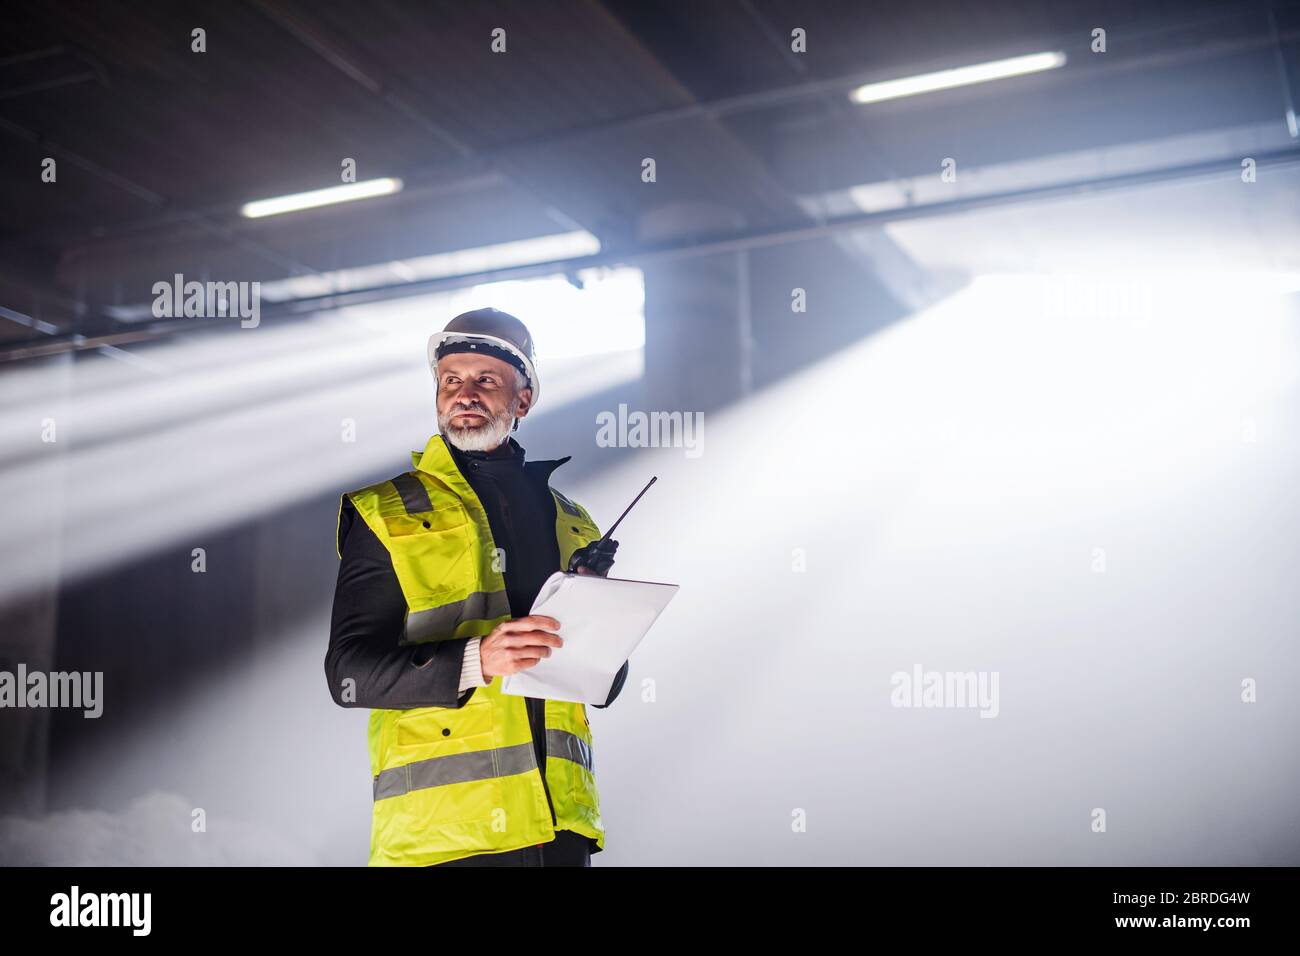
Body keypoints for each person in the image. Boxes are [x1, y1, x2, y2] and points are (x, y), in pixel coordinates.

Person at [325, 308, 627, 866]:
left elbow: (603, 687)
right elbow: (347, 674)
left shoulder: (571, 521)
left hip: (561, 830)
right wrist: (478, 659)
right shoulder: (386, 511)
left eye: (485, 380)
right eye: (450, 380)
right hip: (447, 837)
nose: (464, 394)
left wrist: (595, 613)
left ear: (523, 399)